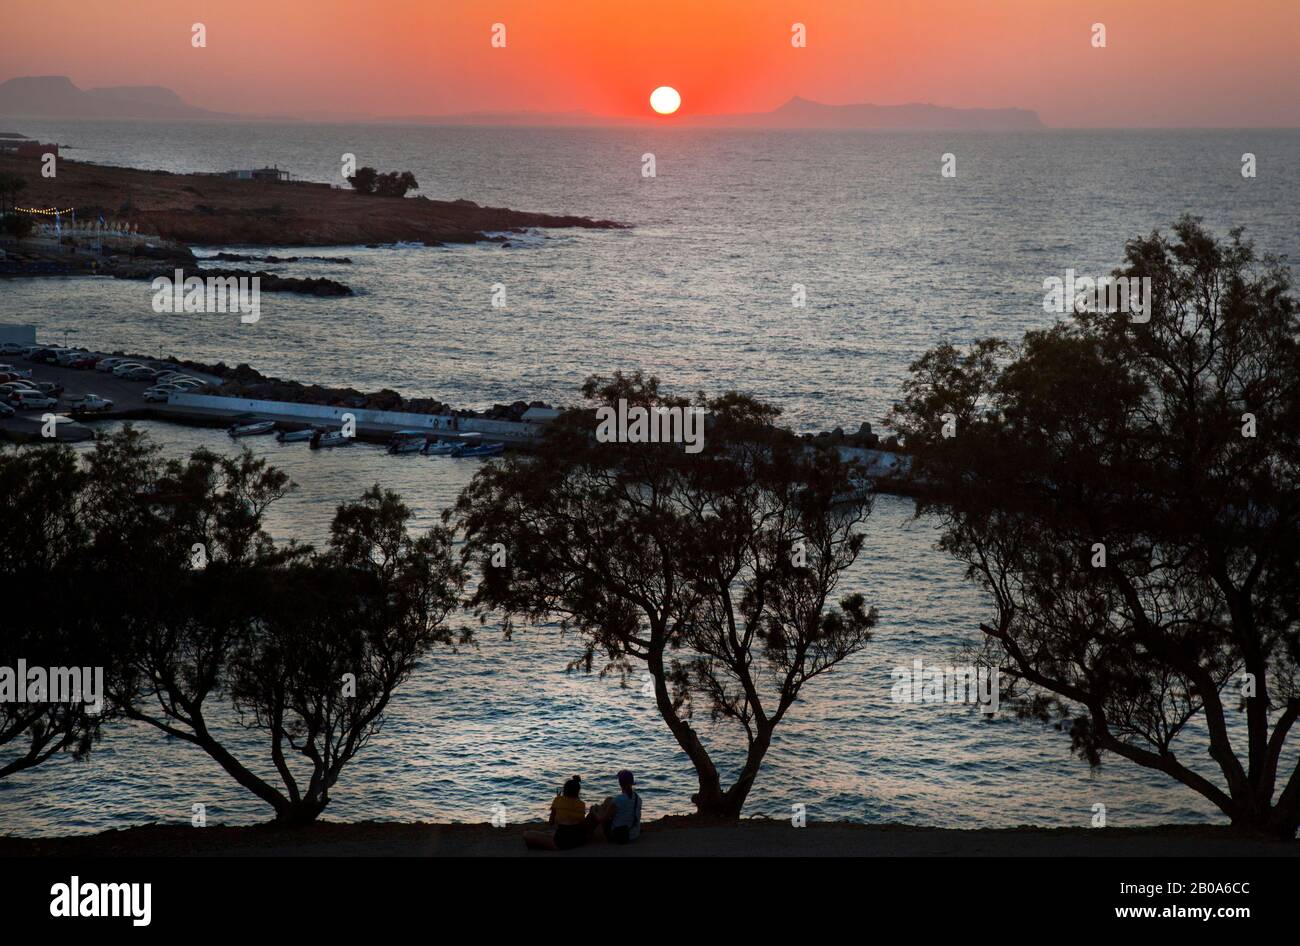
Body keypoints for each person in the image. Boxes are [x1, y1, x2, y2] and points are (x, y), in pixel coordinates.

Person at [523, 776, 590, 851]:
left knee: (527, 834)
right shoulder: (582, 804)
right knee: (553, 833)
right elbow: (578, 818)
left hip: (561, 843)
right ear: (578, 791)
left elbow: (551, 822)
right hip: (578, 840)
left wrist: (557, 802)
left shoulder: (558, 800)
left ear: (564, 790)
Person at [593, 769, 642, 845]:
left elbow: (603, 820)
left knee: (595, 809)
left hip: (618, 835)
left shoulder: (618, 800)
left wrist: (594, 811)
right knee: (609, 799)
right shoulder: (638, 798)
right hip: (634, 833)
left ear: (620, 783)